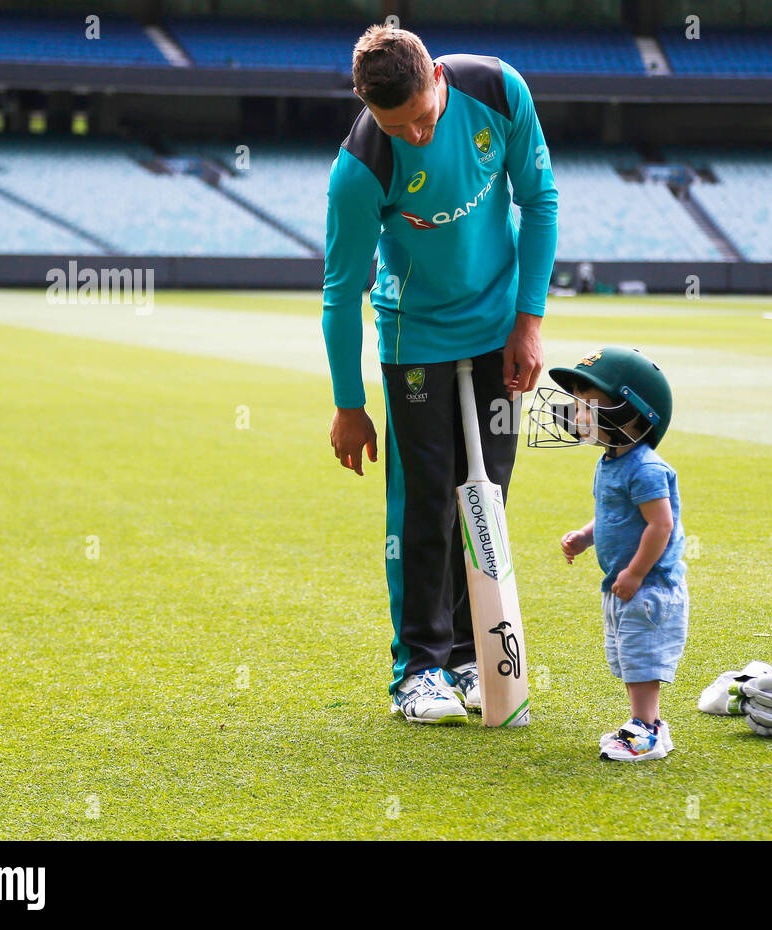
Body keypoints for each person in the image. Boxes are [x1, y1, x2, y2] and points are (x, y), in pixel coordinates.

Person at [322, 25, 558, 724]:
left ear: (438, 80)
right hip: (414, 339)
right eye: (399, 128)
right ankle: (419, 670)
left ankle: (471, 653)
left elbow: (538, 200)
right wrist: (348, 403)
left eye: (424, 118)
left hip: (499, 331)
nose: (416, 137)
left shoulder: (497, 91)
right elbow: (342, 290)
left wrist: (529, 321)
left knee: (484, 501)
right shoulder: (362, 164)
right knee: (423, 503)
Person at [527, 347, 689, 760]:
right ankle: (646, 724)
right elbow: (613, 516)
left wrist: (636, 572)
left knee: (641, 659)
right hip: (625, 584)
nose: (576, 416)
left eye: (588, 406)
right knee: (627, 656)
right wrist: (585, 536)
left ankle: (648, 729)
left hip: (649, 587)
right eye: (577, 406)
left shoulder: (645, 468)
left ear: (632, 413)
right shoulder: (610, 462)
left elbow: (660, 525)